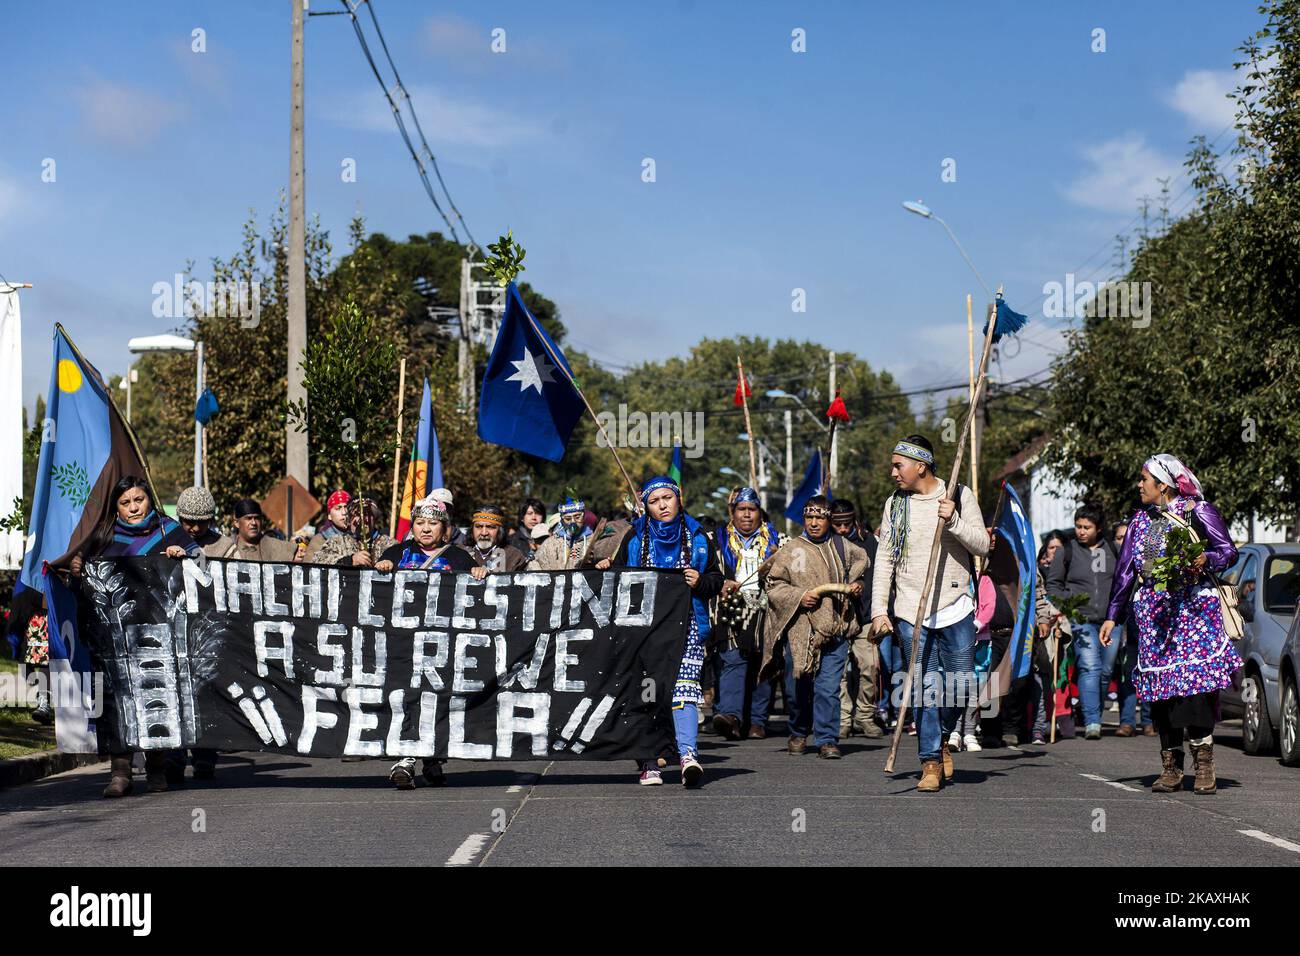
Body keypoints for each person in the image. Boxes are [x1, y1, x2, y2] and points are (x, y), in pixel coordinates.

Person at [1100, 455, 1242, 795]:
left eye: (1144, 479)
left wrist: (1208, 557)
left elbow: (1229, 551)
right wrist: (1112, 616)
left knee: (1193, 690)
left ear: (1162, 485)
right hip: (1154, 616)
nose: (1139, 485)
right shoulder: (1138, 522)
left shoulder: (1198, 512)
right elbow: (1125, 573)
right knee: (1162, 692)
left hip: (1194, 612)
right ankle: (1171, 765)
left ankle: (1204, 763)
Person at [870, 435, 989, 792]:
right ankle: (930, 762)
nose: (893, 473)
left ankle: (940, 737)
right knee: (922, 689)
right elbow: (885, 560)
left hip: (955, 607)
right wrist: (879, 610)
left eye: (898, 465)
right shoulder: (895, 504)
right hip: (910, 609)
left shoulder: (960, 494)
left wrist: (953, 520)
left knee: (960, 685)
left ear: (920, 466)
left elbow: (982, 544)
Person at [68, 476, 199, 797]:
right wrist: (76, 569)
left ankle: (156, 770)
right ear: (116, 508)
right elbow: (82, 579)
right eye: (125, 503)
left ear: (149, 500)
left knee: (156, 697)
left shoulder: (169, 531)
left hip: (160, 636)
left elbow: (204, 569)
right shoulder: (102, 537)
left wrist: (185, 556)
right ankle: (120, 772)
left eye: (138, 500)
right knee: (116, 701)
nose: (133, 508)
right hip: (114, 641)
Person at [612, 476, 723, 786]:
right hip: (644, 633)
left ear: (678, 498)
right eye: (654, 501)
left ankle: (688, 756)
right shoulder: (634, 539)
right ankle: (649, 762)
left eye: (667, 498)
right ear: (645, 506)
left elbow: (716, 580)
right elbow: (618, 583)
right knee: (648, 693)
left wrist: (699, 581)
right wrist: (608, 568)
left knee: (684, 689)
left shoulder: (699, 537)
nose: (662, 505)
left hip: (687, 626)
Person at [374, 495, 478, 789]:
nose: (426, 529)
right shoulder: (395, 553)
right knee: (406, 697)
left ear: (444, 528)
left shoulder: (458, 557)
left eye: (433, 523)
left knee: (437, 698)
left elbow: (479, 593)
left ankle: (432, 757)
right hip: (403, 645)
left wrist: (479, 574)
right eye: (420, 523)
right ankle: (405, 759)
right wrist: (381, 568)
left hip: (443, 646)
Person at [761, 495, 869, 760]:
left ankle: (826, 739)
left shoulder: (844, 548)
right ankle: (798, 732)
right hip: (799, 629)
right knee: (797, 685)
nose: (814, 522)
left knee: (828, 688)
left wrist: (857, 585)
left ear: (828, 520)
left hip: (835, 628)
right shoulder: (791, 549)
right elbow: (773, 585)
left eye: (819, 517)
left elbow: (861, 570)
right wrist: (799, 595)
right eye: (809, 517)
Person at [711, 487, 783, 740]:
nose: (747, 515)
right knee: (733, 660)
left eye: (752, 510)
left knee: (764, 664)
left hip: (767, 609)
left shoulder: (778, 540)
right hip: (732, 608)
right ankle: (731, 716)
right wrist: (721, 583)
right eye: (741, 510)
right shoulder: (717, 539)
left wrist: (778, 563)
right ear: (732, 512)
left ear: (759, 512)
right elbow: (709, 569)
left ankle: (757, 721)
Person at [1047, 504, 1120, 740]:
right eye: (1078, 526)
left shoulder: (1114, 549)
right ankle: (1092, 722)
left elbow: (1124, 581)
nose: (1081, 531)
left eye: (1086, 527)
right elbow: (1053, 585)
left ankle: (1092, 710)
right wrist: (1069, 605)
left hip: (1112, 619)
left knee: (1106, 671)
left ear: (1098, 529)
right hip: (1081, 620)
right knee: (1090, 667)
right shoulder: (1066, 551)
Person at [830, 499, 883, 738]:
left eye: (846, 524)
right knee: (838, 671)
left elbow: (877, 577)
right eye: (837, 524)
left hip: (864, 615)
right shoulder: (826, 543)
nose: (842, 529)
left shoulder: (869, 541)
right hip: (835, 617)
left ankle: (864, 716)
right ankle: (843, 718)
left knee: (870, 666)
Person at [6, 588, 52, 724]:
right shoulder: (25, 592)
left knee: (45, 661)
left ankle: (44, 704)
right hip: (32, 618)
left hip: (47, 618)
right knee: (31, 668)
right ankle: (43, 700)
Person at [219, 498, 300, 562]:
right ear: (237, 523)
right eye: (249, 518)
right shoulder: (226, 548)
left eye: (257, 518)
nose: (253, 523)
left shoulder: (279, 547)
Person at [528, 497, 594, 571]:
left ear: (584, 516)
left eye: (577, 517)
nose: (573, 522)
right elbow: (534, 564)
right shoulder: (551, 543)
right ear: (562, 520)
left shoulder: (594, 541)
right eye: (568, 519)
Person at [463, 505, 529, 572]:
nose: (484, 533)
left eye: (490, 527)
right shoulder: (459, 552)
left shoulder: (513, 556)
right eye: (479, 526)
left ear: (500, 530)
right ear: (472, 529)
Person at [176, 486, 233, 558]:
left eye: (202, 522)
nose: (196, 528)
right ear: (181, 519)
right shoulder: (169, 542)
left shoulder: (226, 547)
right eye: (190, 521)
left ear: (210, 520)